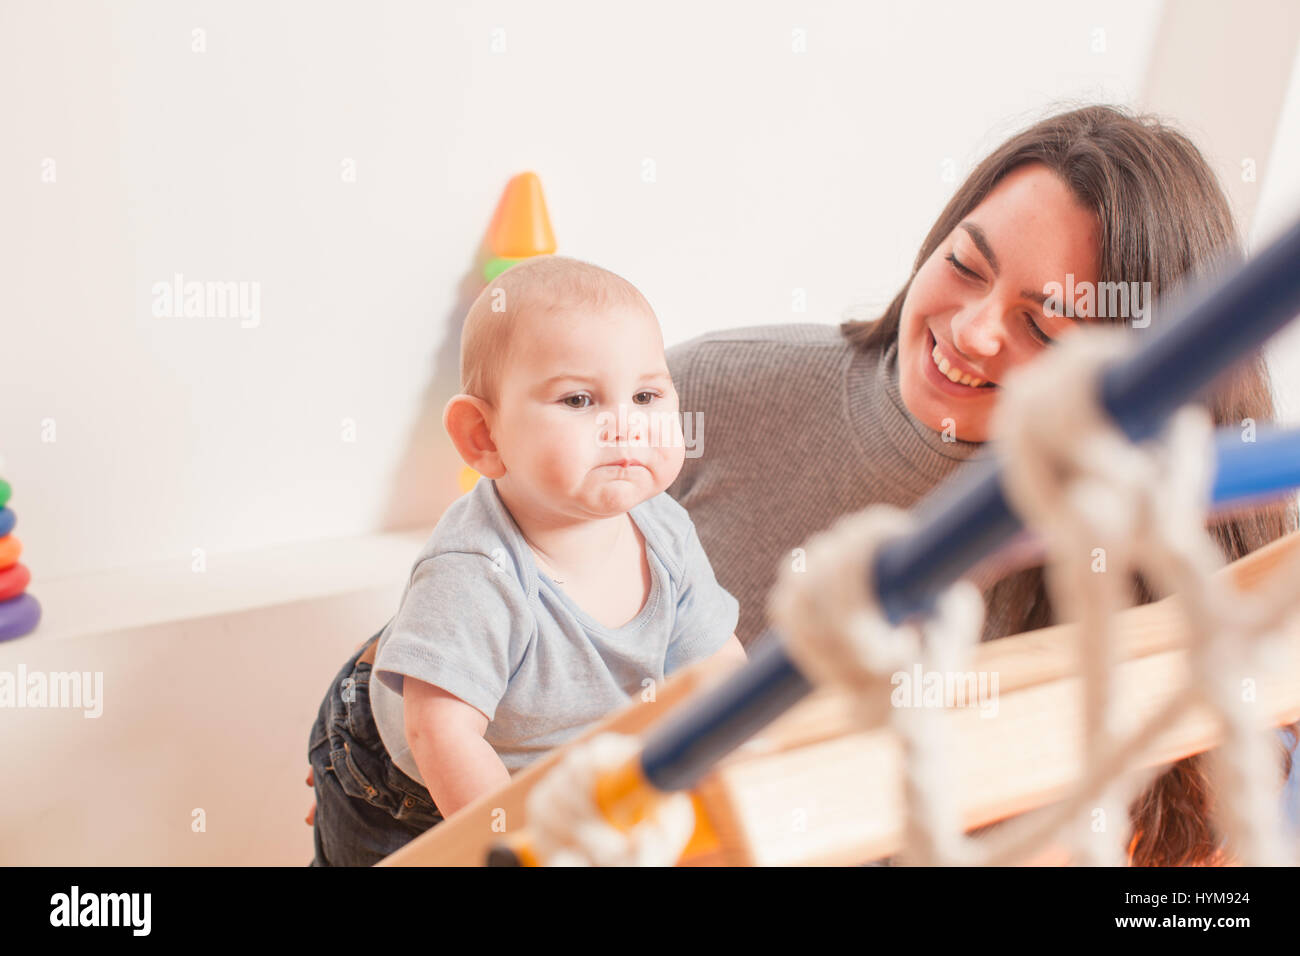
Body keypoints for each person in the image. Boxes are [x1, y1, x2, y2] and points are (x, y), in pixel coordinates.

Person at [664, 103, 1300, 866]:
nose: (971, 330)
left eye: (1041, 327)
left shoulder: (1149, 560)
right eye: (965, 266)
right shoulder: (706, 393)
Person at [308, 255, 746, 866]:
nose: (624, 425)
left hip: (519, 734)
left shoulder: (664, 527)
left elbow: (715, 665)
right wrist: (524, 848)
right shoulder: (477, 571)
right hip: (404, 774)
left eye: (646, 394)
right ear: (483, 437)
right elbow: (439, 733)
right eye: (578, 400)